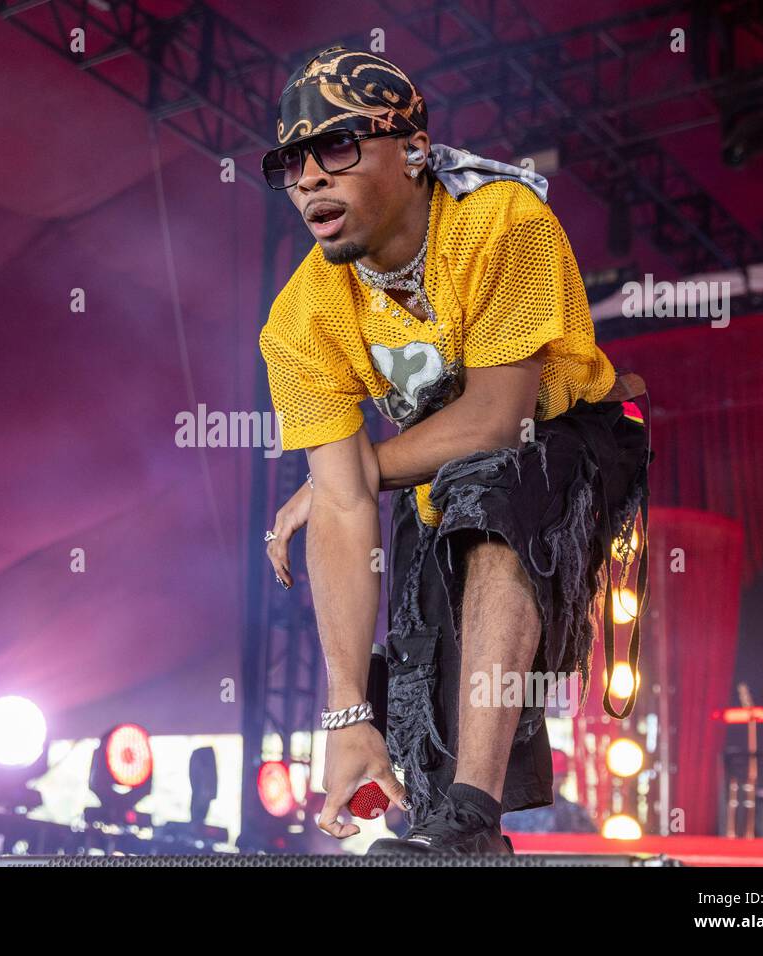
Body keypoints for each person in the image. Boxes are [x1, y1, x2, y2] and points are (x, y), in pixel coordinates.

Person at [258, 46, 650, 855]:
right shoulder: (297, 321)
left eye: (337, 147)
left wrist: (347, 476)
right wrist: (343, 713)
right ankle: (460, 832)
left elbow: (500, 420)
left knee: (495, 486)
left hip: (570, 435)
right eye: (291, 162)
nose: (309, 179)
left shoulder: (502, 220)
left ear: (412, 151)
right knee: (421, 632)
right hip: (441, 471)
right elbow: (344, 512)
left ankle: (472, 806)